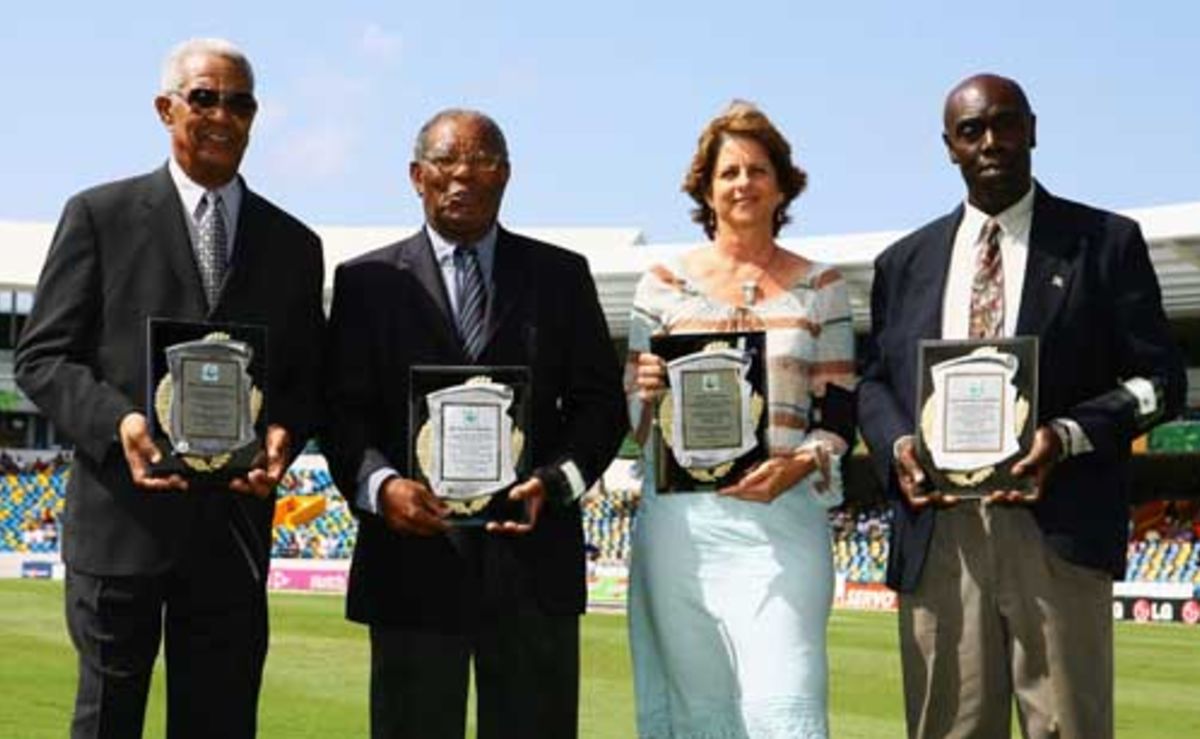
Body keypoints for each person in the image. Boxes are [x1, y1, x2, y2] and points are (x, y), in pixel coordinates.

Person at [857, 73, 1186, 739]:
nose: (991, 141)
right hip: (940, 533)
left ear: (1032, 130)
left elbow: (1162, 379)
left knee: (1068, 727)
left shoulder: (1105, 242)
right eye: (971, 130)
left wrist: (1067, 434)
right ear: (949, 146)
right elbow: (875, 384)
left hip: (1057, 528)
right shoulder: (904, 262)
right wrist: (897, 446)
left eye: (1005, 123)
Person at [14, 38, 325, 738]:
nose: (222, 116)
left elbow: (306, 379)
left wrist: (283, 431)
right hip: (120, 525)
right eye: (204, 98)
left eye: (239, 103)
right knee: (107, 721)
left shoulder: (294, 244)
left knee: (220, 722)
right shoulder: (99, 216)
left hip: (233, 533)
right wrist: (119, 423)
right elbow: (42, 357)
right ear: (165, 108)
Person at [321, 108, 627, 739]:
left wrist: (556, 482)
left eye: (482, 161)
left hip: (532, 565)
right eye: (445, 161)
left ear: (506, 174)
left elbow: (602, 407)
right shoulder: (365, 283)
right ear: (417, 175)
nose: (462, 175)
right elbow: (341, 412)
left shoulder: (560, 277)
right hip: (411, 564)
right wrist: (382, 486)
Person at [626, 101, 856, 738]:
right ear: (705, 189)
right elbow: (637, 422)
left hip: (783, 522)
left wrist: (800, 463)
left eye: (758, 170)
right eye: (728, 172)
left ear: (783, 185)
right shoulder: (661, 284)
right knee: (699, 714)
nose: (743, 183)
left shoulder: (821, 286)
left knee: (787, 704)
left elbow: (840, 412)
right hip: (683, 528)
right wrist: (646, 390)